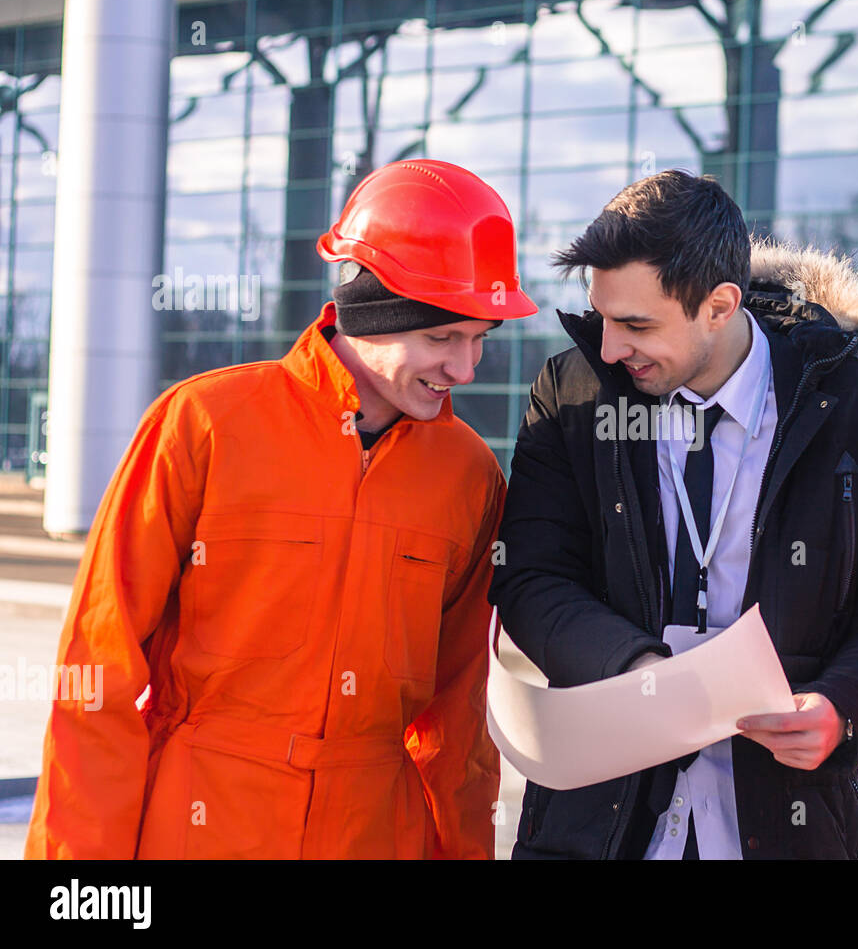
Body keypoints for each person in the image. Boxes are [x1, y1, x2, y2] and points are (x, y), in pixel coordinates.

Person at [25, 159, 537, 859]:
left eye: (480, 339)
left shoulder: (468, 475)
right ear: (372, 315)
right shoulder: (203, 423)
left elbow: (458, 715)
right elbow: (98, 670)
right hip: (204, 821)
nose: (465, 370)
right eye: (443, 338)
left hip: (374, 833)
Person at [489, 169, 858, 860]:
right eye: (603, 315)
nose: (609, 347)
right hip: (599, 823)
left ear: (721, 305)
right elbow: (531, 577)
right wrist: (639, 669)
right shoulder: (573, 394)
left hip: (788, 819)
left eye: (636, 324)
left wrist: (844, 711)